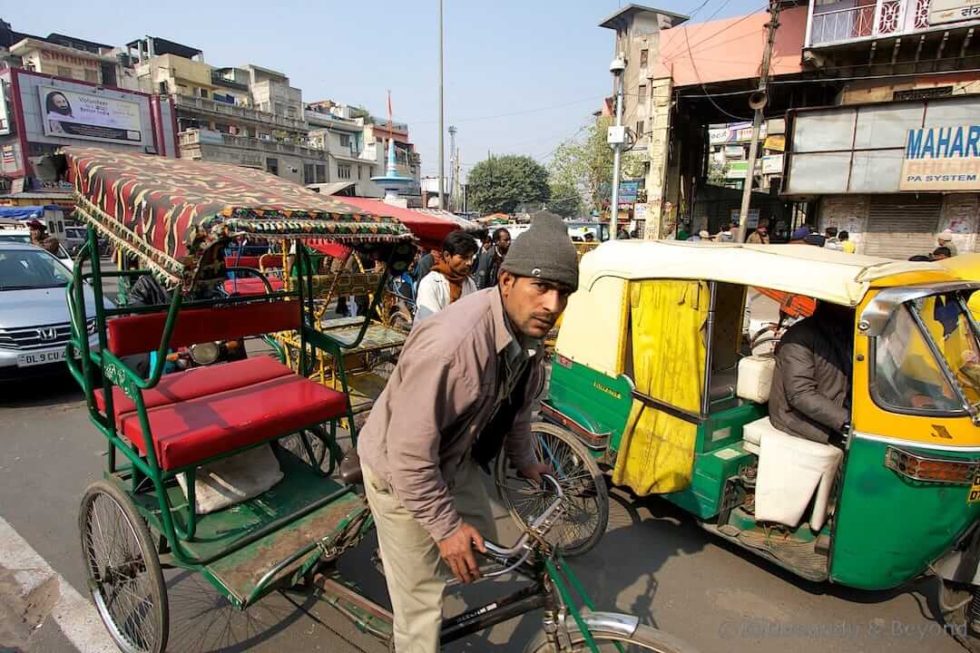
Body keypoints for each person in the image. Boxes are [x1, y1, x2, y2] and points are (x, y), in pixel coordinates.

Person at [357, 211, 576, 653]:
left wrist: (526, 460)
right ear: (507, 280)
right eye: (541, 287)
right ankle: (410, 574)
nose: (552, 305)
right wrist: (443, 529)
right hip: (401, 470)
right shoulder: (452, 348)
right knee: (422, 608)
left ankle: (417, 557)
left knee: (481, 539)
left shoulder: (526, 332)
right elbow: (408, 457)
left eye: (563, 293)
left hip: (451, 455)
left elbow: (515, 406)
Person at [768, 301, 854, 444]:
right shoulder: (800, 337)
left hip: (836, 411)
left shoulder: (846, 334)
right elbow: (800, 394)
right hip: (798, 419)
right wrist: (846, 420)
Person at [414, 231, 479, 324]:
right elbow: (431, 322)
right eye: (464, 257)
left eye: (471, 257)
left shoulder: (469, 284)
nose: (469, 262)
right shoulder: (430, 283)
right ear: (447, 256)